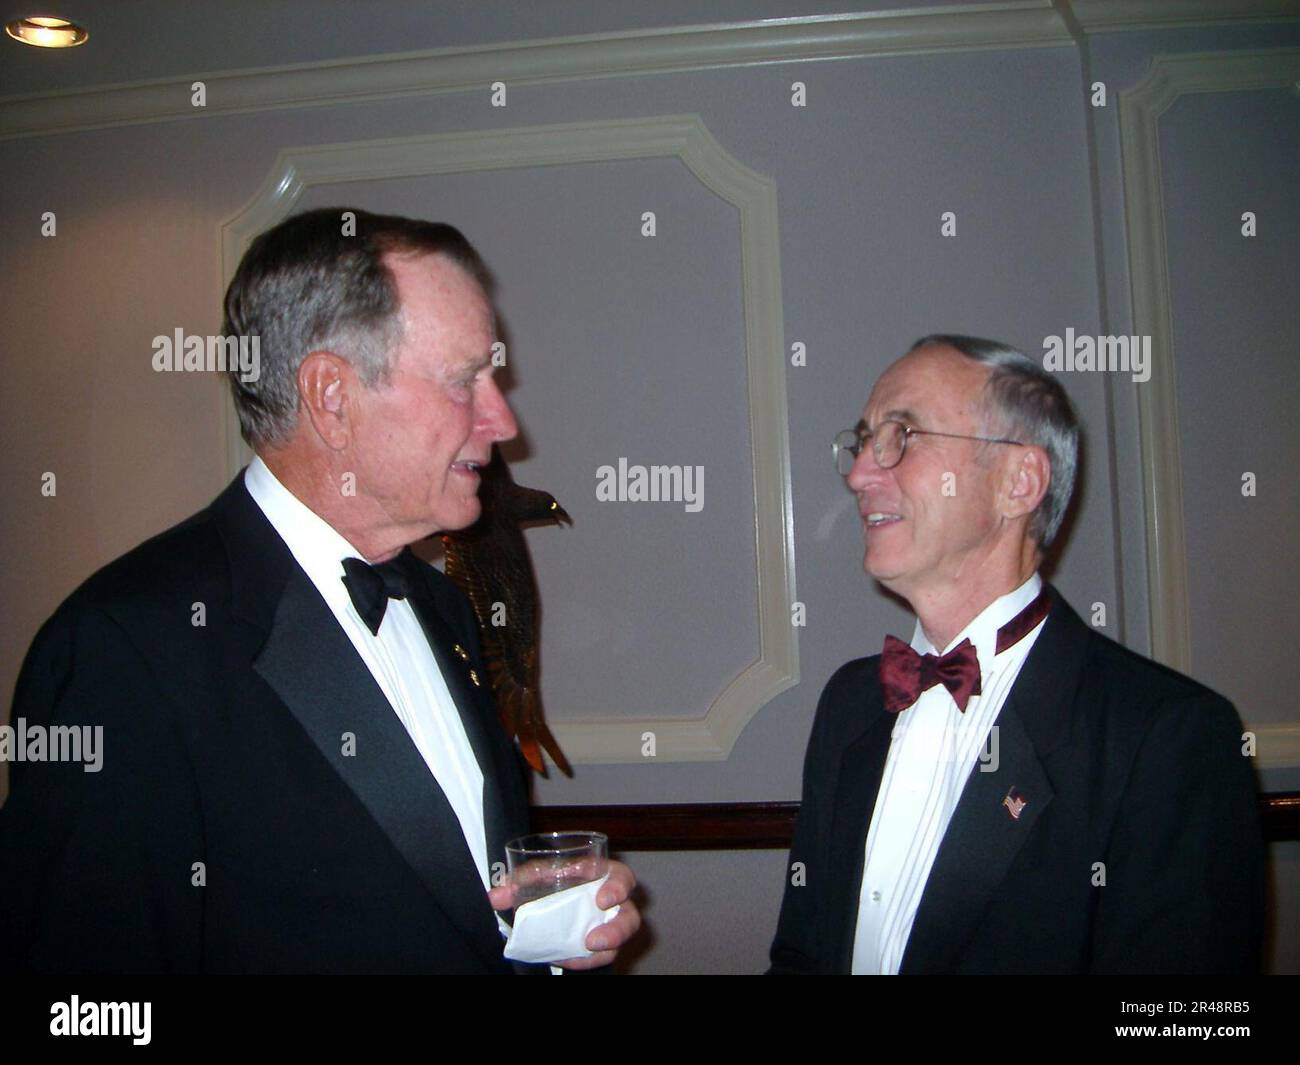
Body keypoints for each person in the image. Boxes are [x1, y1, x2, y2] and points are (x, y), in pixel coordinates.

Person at [0, 207, 639, 974]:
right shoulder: (128, 651)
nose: (502, 419)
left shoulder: (441, 607)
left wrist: (533, 919)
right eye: (465, 379)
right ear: (332, 396)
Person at [770, 334, 1264, 974]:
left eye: (902, 435)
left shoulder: (1166, 736)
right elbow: (801, 959)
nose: (860, 473)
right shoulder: (851, 702)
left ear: (1019, 481)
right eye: (862, 441)